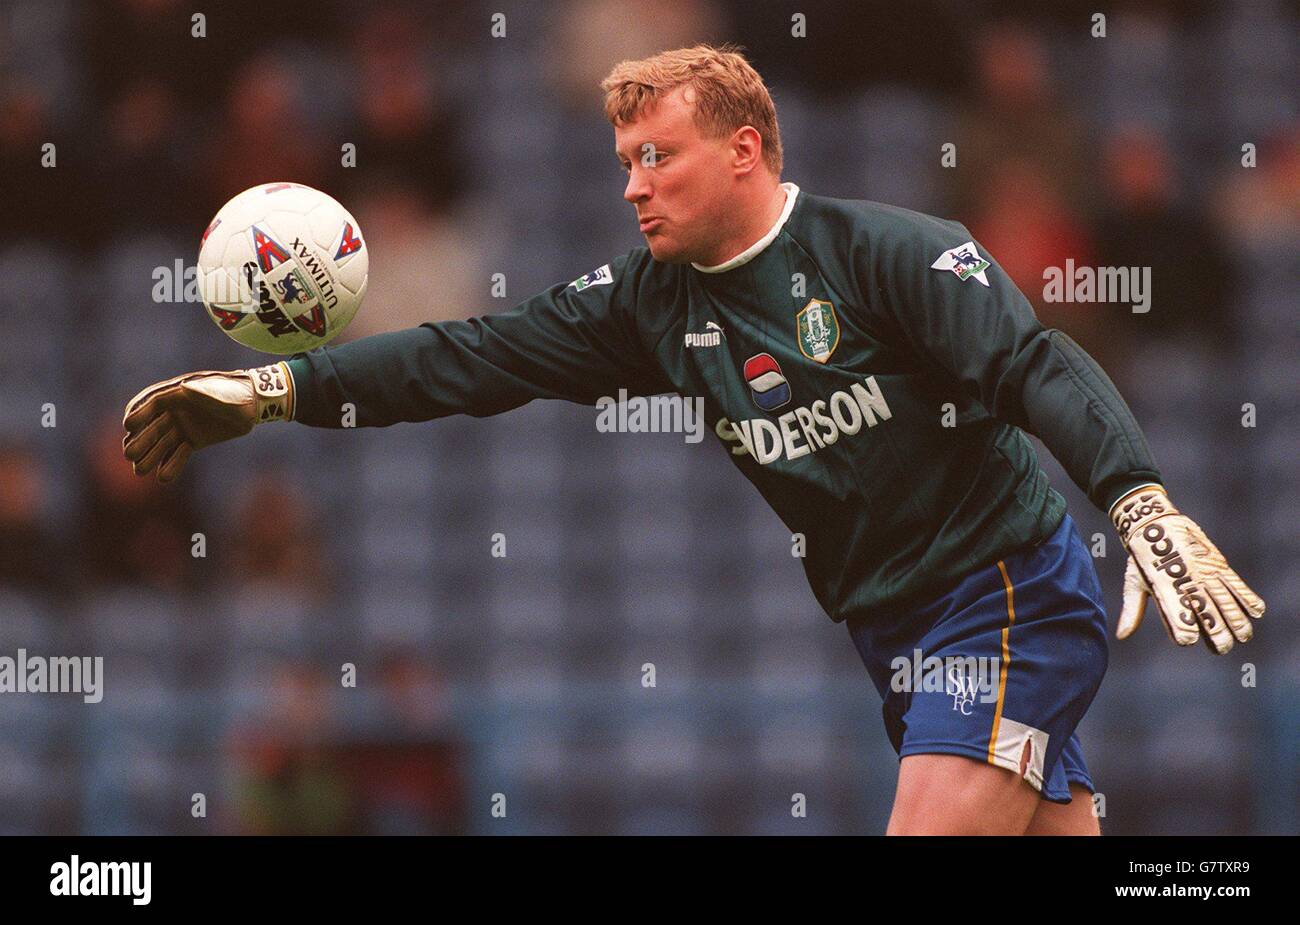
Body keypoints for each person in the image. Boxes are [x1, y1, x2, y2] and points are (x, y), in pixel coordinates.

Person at [122, 45, 1265, 835]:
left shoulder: (887, 252)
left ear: (745, 148)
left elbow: (1031, 362)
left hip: (1005, 591)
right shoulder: (647, 303)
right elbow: (467, 358)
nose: (633, 186)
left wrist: (1136, 495)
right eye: (623, 161)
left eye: (656, 156)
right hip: (890, 628)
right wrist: (276, 387)